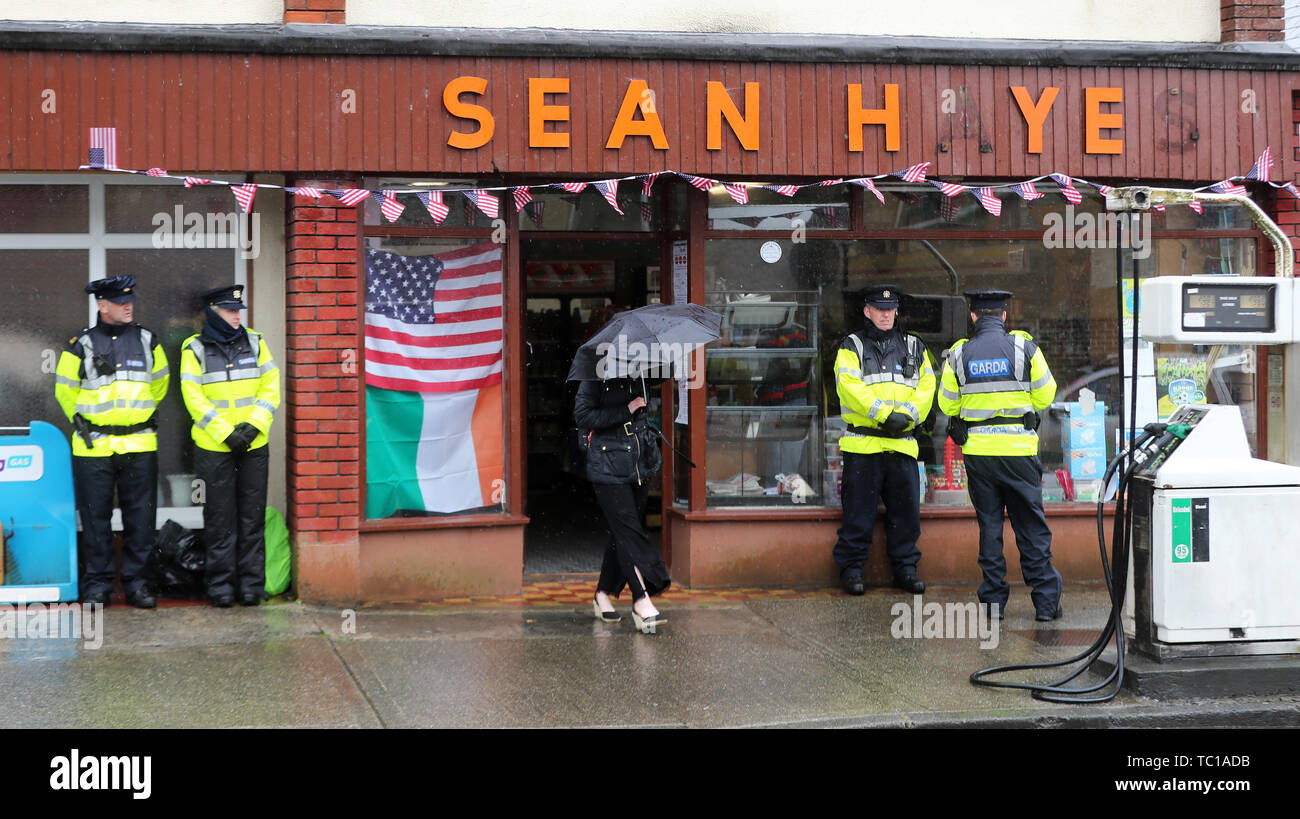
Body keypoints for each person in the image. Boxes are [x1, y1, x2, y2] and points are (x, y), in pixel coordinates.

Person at [938, 289, 1062, 621]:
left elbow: (948, 405)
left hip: (980, 456)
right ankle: (1046, 605)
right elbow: (1046, 395)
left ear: (974, 317)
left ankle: (993, 604)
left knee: (990, 528)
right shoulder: (1025, 348)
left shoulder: (958, 354)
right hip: (1019, 453)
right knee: (1031, 527)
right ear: (1004, 316)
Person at [54, 275, 170, 608]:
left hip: (139, 443)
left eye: (130, 301)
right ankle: (98, 585)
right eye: (121, 302)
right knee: (95, 519)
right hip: (94, 446)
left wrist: (134, 416)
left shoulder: (148, 340)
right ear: (102, 305)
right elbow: (64, 391)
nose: (128, 306)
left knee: (141, 520)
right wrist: (91, 422)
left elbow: (159, 385)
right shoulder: (81, 344)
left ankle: (138, 585)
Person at [831, 284, 936, 596]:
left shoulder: (915, 346)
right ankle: (851, 571)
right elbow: (848, 385)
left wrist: (906, 415)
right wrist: (883, 414)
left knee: (906, 517)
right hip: (864, 445)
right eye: (879, 309)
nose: (886, 314)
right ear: (867, 311)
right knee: (857, 515)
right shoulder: (852, 345)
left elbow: (928, 386)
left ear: (897, 312)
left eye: (890, 309)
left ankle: (905, 570)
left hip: (903, 444)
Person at [180, 285, 280, 607]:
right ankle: (220, 586)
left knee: (252, 518)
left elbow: (271, 386)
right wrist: (227, 433)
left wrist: (252, 427)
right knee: (219, 519)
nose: (237, 316)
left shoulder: (256, 341)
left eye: (238, 310)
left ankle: (252, 585)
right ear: (212, 311)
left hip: (254, 445)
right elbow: (193, 397)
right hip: (215, 449)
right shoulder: (193, 348)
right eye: (229, 310)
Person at [575, 375, 669, 633]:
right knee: (628, 531)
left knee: (624, 530)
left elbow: (661, 377)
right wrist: (625, 410)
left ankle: (603, 593)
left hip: (640, 461)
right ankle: (641, 599)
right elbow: (583, 416)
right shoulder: (595, 373)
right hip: (608, 464)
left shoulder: (640, 372)